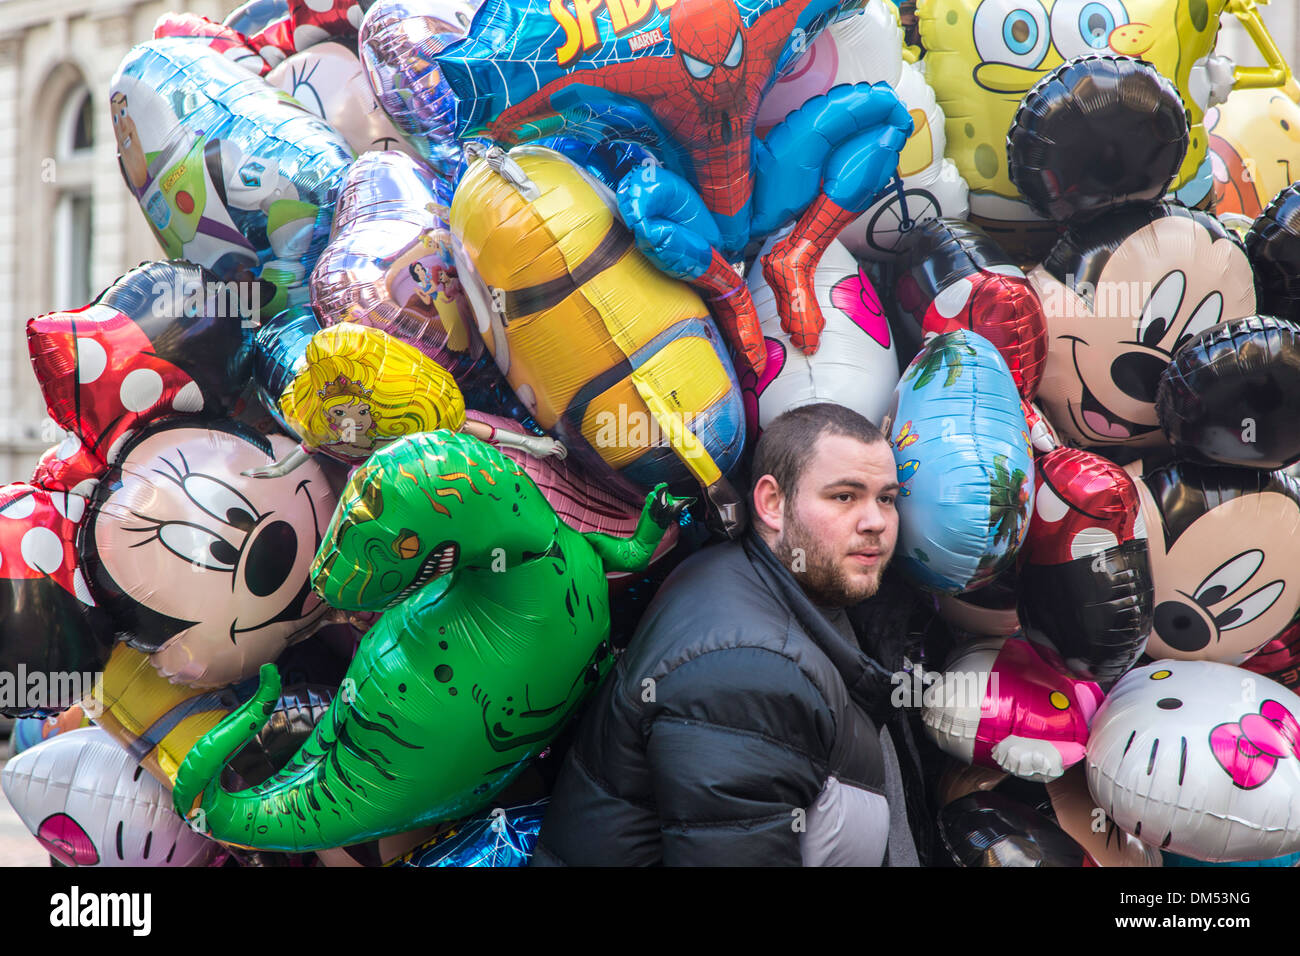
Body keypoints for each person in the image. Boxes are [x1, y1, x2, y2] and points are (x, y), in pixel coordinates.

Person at [533, 402, 932, 866]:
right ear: (771, 503)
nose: (876, 521)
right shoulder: (748, 674)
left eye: (886, 498)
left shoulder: (759, 580)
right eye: (845, 496)